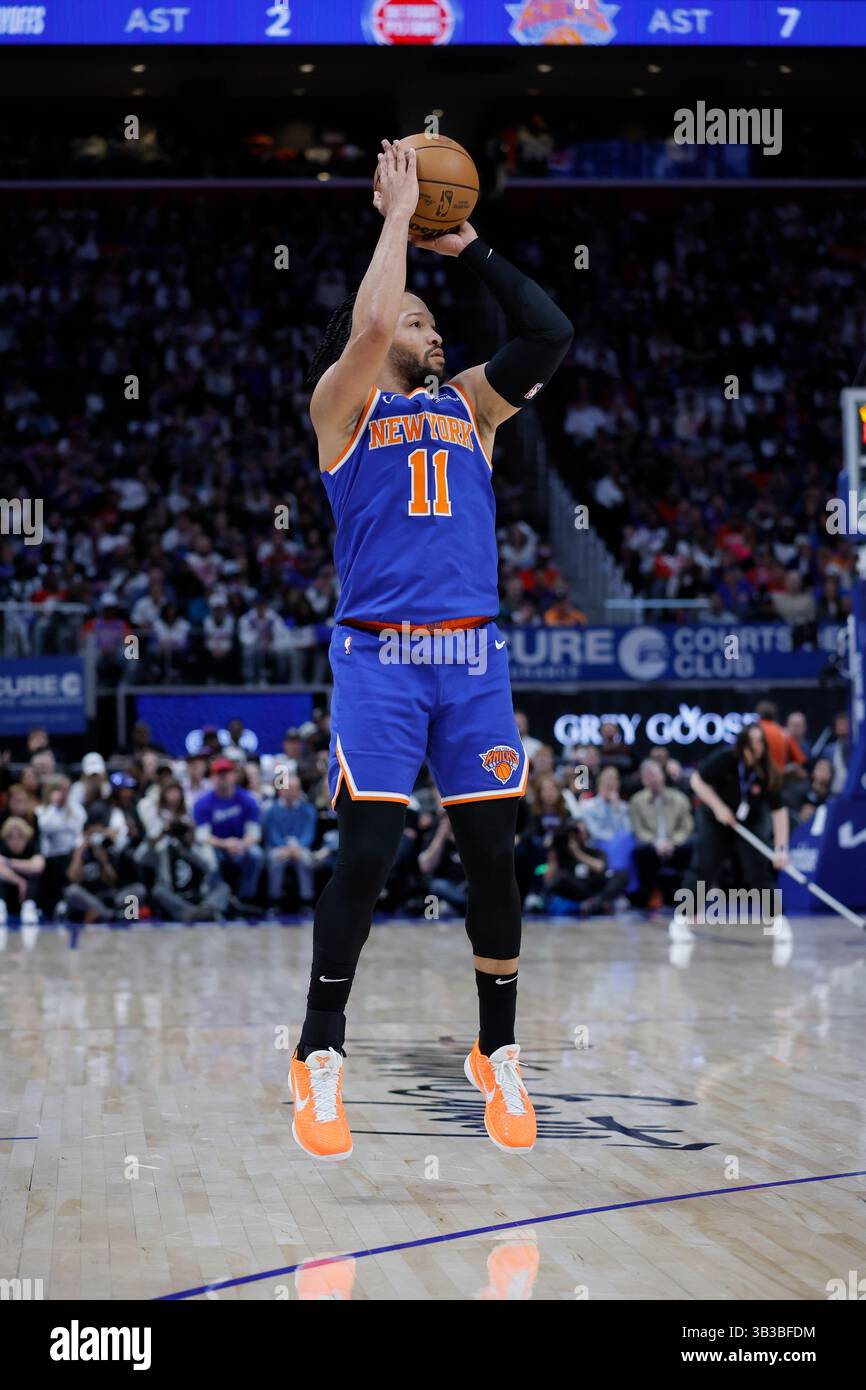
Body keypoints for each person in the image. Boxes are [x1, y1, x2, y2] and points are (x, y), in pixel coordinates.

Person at [292, 138, 573, 1160]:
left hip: (471, 657)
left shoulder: (472, 409)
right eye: (419, 318)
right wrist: (393, 218)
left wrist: (467, 248)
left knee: (495, 850)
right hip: (378, 655)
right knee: (369, 850)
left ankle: (495, 1050)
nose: (429, 324)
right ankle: (319, 1047)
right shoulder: (341, 409)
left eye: (431, 316)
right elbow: (371, 319)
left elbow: (549, 328)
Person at [674, 724, 790, 942]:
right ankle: (683, 918)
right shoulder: (726, 758)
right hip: (715, 818)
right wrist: (719, 808)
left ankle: (778, 919)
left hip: (748, 821)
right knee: (705, 867)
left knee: (757, 869)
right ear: (743, 742)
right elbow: (697, 781)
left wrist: (781, 848)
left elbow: (779, 810)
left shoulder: (767, 771)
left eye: (761, 741)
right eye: (753, 741)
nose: (757, 746)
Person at [192, 758, 263, 903]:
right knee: (208, 856)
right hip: (216, 845)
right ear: (212, 777)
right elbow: (202, 836)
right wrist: (225, 844)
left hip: (240, 845)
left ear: (234, 776)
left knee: (256, 854)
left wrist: (241, 844)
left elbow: (254, 833)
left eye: (226, 773)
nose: (223, 778)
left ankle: (244, 899)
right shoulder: (202, 803)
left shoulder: (248, 800)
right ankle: (216, 900)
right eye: (219, 774)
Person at [629, 759, 694, 907]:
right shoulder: (637, 801)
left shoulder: (680, 799)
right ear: (643, 780)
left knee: (692, 845)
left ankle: (686, 893)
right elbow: (638, 829)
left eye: (655, 775)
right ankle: (651, 894)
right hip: (652, 845)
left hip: (675, 844)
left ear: (663, 776)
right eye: (649, 777)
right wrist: (656, 843)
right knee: (640, 850)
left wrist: (673, 843)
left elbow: (686, 828)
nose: (653, 780)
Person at [262, 772, 318, 912]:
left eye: (295, 788)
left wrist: (297, 848)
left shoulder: (308, 810)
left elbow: (309, 834)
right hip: (278, 847)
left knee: (305, 859)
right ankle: (274, 902)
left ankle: (307, 901)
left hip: (300, 848)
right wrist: (285, 848)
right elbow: (272, 834)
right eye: (289, 788)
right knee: (276, 859)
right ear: (281, 789)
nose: (292, 791)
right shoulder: (271, 810)